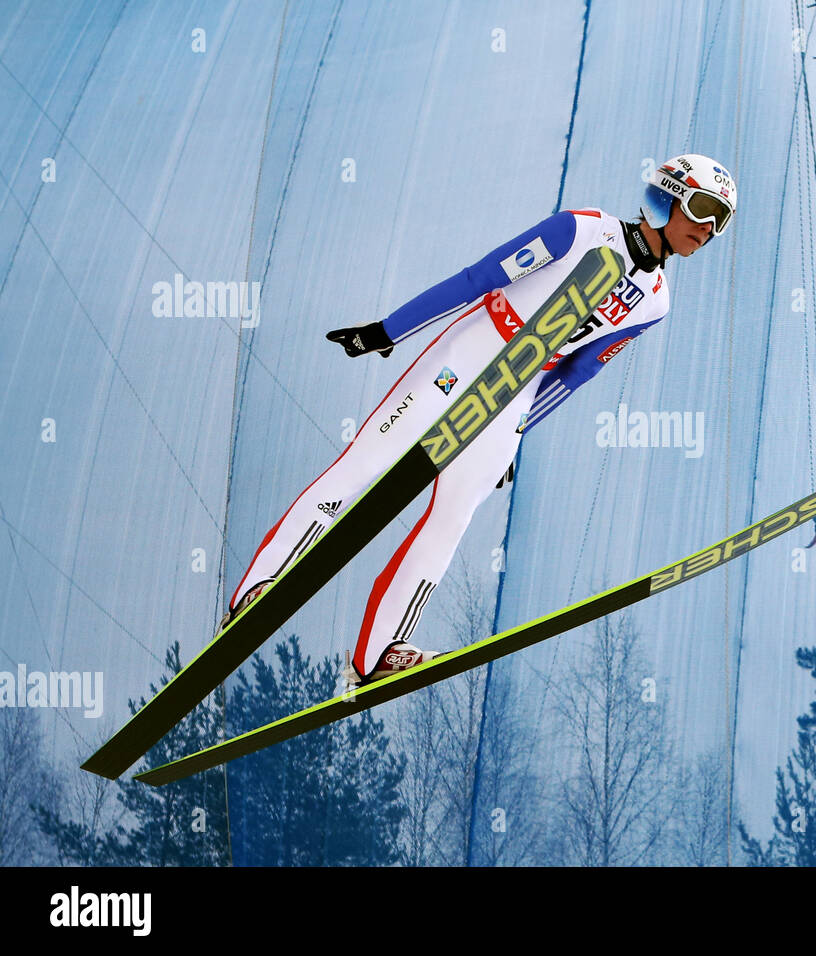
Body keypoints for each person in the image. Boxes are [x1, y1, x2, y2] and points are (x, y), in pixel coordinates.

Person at [218, 154, 738, 686]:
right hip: (470, 352)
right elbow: (480, 276)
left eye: (720, 220)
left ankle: (377, 652)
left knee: (455, 513)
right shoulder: (581, 231)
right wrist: (388, 331)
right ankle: (261, 584)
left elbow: (578, 373)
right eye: (702, 209)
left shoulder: (655, 302)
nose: (708, 228)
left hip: (518, 389)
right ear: (666, 196)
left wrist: (517, 435)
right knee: (365, 463)